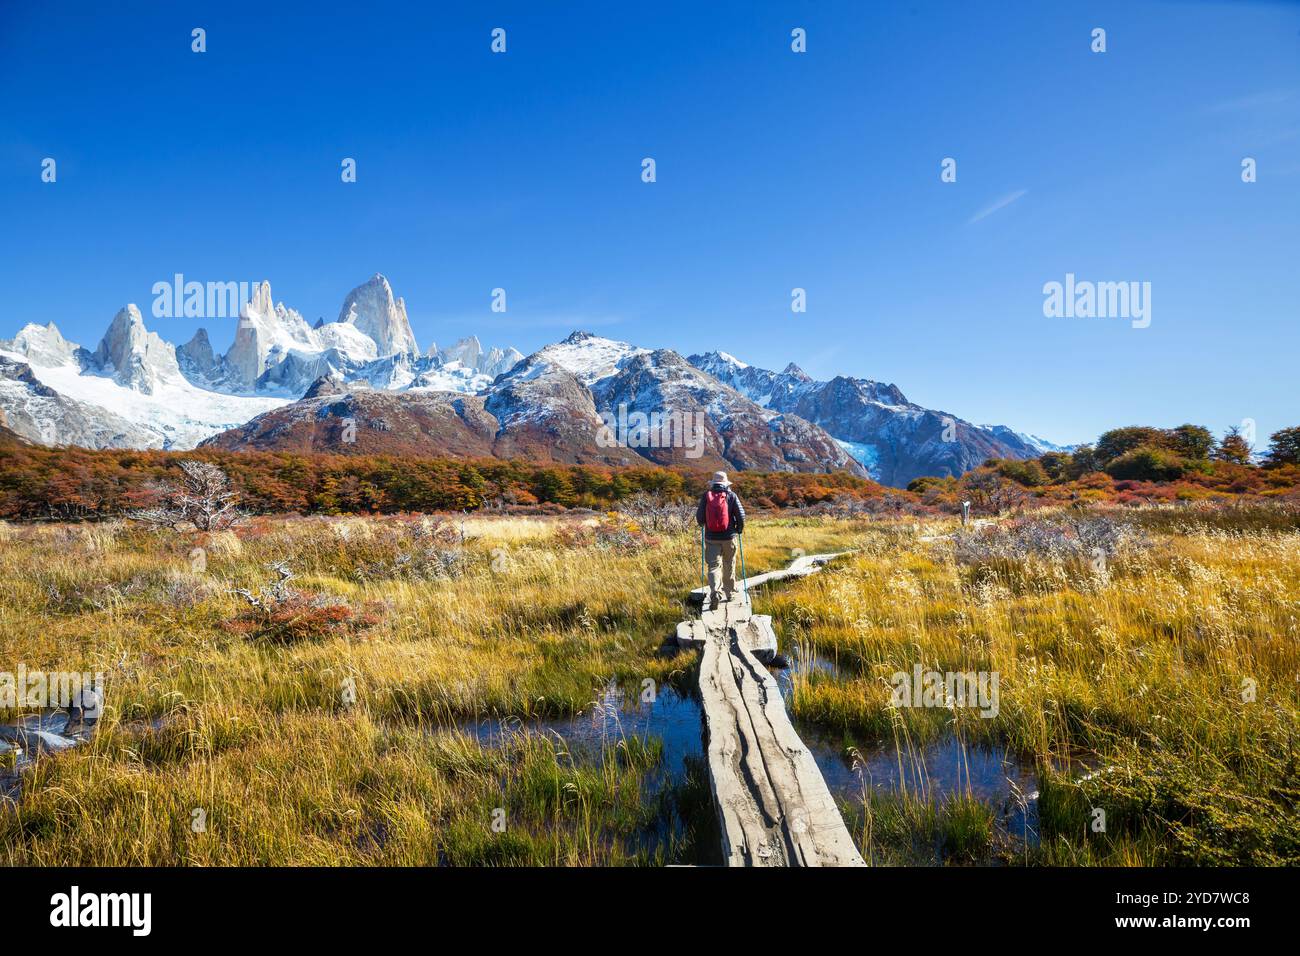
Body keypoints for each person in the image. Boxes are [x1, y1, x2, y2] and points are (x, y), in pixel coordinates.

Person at [696, 471, 745, 608]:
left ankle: (715, 592)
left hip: (711, 537)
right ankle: (729, 594)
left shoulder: (706, 496)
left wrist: (703, 525)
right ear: (725, 483)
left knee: (713, 566)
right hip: (729, 536)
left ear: (713, 483)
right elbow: (741, 515)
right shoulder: (731, 495)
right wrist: (739, 529)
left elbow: (699, 517)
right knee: (729, 564)